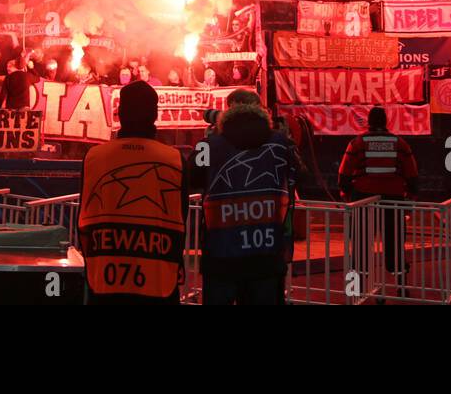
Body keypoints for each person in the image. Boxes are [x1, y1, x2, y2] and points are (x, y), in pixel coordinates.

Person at [76, 81, 187, 304]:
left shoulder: (94, 157)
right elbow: (180, 216)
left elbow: (85, 216)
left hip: (105, 279)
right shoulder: (174, 159)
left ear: (120, 114)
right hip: (158, 279)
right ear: (154, 115)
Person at [189, 90, 297, 305]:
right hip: (267, 254)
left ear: (228, 111)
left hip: (221, 254)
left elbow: (193, 176)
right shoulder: (280, 143)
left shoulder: (208, 145)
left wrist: (209, 138)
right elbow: (297, 175)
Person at [337, 106, 419, 280]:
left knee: (361, 239)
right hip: (394, 200)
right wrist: (411, 196)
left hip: (363, 199)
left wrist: (345, 191)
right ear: (386, 121)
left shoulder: (357, 143)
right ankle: (399, 278)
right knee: (394, 240)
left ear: (369, 121)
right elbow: (412, 174)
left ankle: (359, 280)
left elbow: (344, 173)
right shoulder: (400, 143)